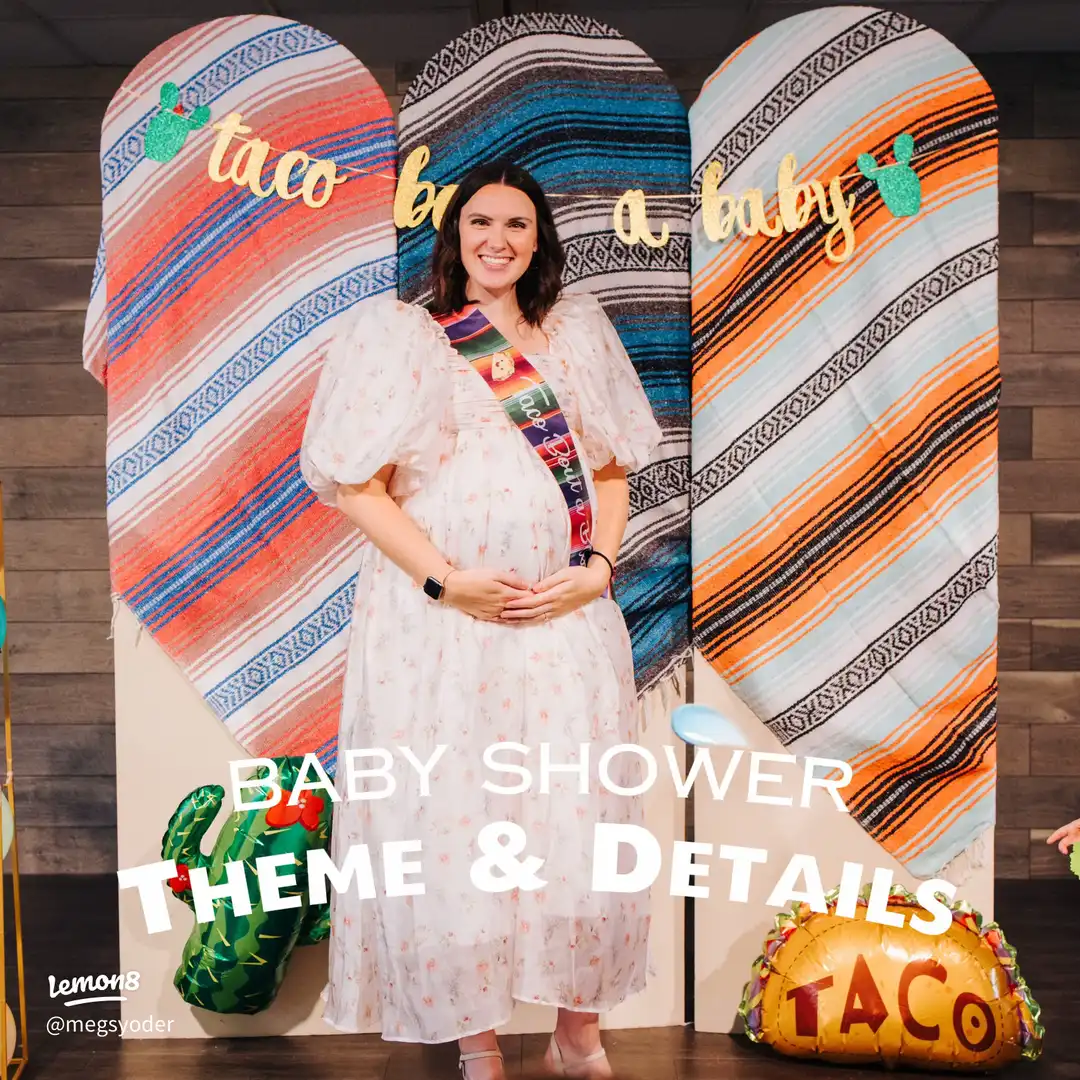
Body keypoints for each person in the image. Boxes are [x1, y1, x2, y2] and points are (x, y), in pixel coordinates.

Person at [299, 160, 664, 1080]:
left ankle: (577, 1032)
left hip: (562, 614)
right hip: (442, 630)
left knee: (580, 814)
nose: (496, 240)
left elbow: (612, 469)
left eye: (516, 224)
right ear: (453, 236)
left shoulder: (576, 331)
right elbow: (356, 488)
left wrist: (598, 567)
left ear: (539, 239)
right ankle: (476, 1040)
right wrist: (445, 582)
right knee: (452, 817)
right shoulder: (405, 337)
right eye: (479, 223)